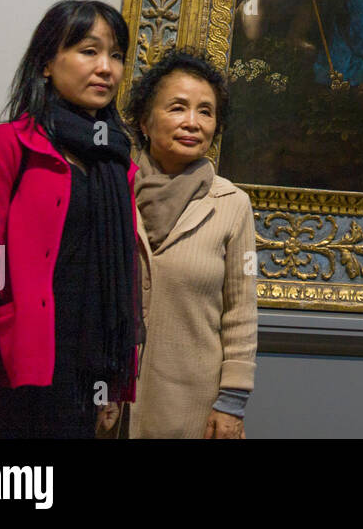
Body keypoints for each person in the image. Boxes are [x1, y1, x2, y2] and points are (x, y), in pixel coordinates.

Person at [0, 0, 140, 438]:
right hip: (15, 378)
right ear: (47, 63)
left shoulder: (117, 163)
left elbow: (119, 286)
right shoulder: (5, 148)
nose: (106, 67)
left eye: (117, 55)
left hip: (83, 385)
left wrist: (112, 386)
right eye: (89, 51)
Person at [124, 49, 258, 438]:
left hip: (195, 407)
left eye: (206, 111)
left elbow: (241, 313)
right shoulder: (113, 192)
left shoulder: (232, 205)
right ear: (145, 121)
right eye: (178, 108)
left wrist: (231, 404)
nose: (192, 122)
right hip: (110, 403)